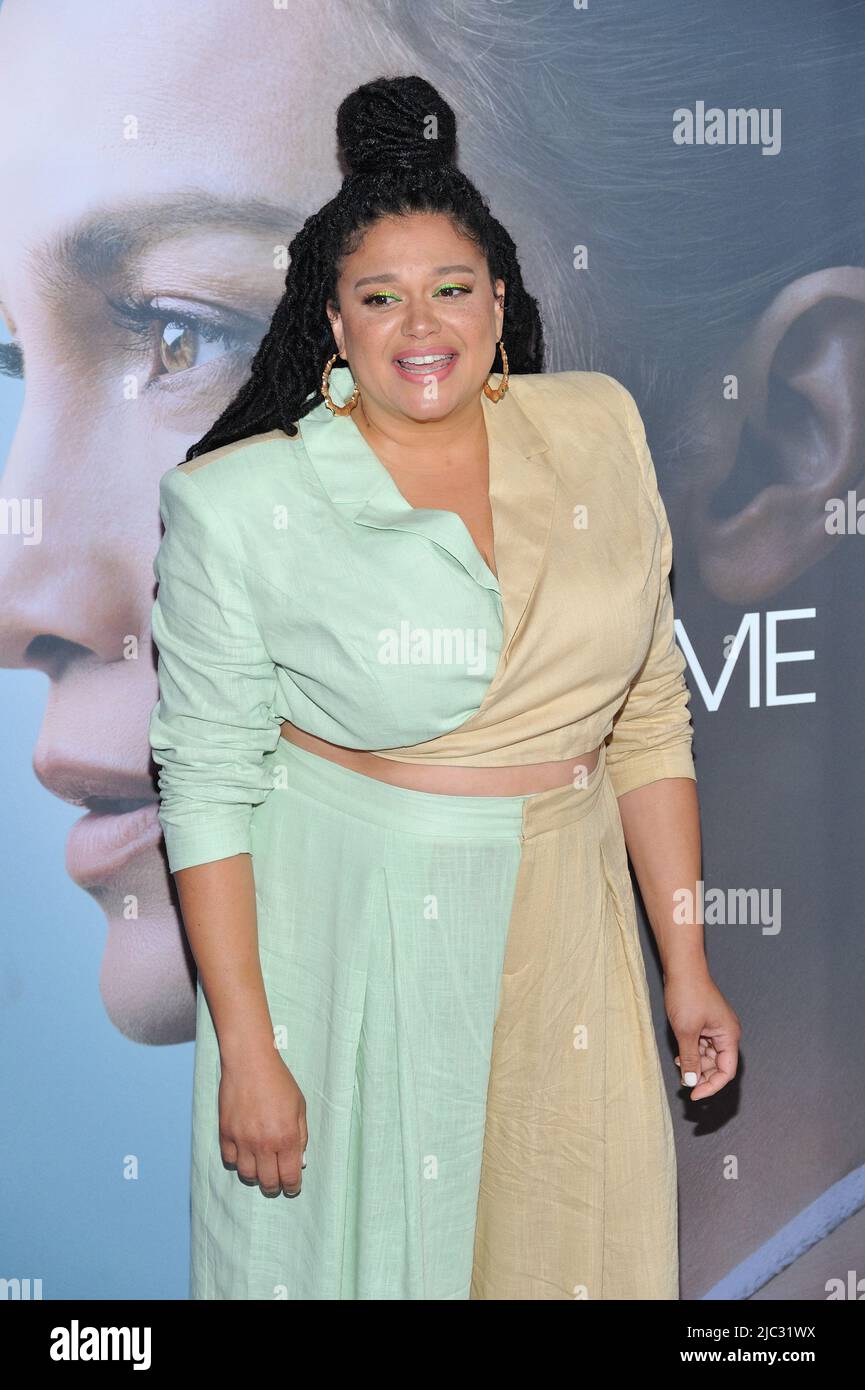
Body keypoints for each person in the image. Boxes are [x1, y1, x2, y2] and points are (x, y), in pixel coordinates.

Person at [148, 75, 740, 1301]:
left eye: (451, 287)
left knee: (564, 1249)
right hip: (360, 937)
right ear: (336, 323)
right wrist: (248, 1052)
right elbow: (205, 786)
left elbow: (645, 719)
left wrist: (684, 964)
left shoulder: (596, 431)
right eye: (381, 296)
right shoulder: (242, 503)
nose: (422, 324)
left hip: (569, 931)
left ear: (500, 301)